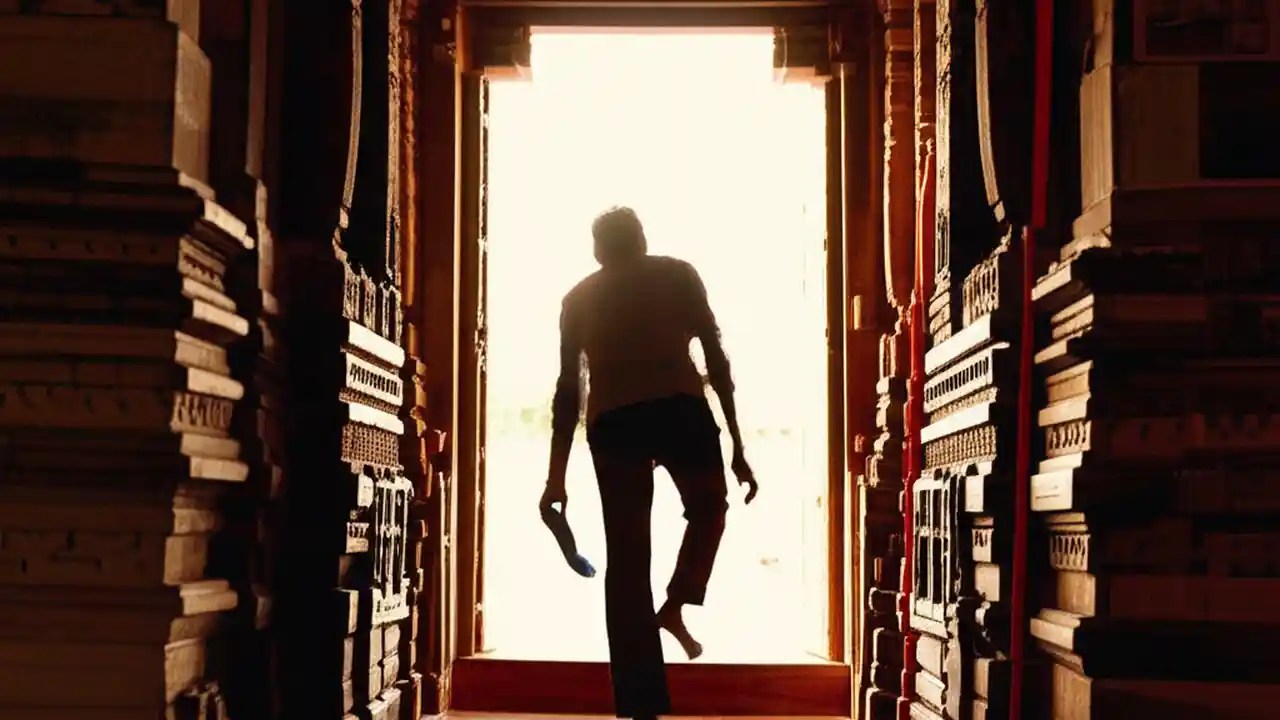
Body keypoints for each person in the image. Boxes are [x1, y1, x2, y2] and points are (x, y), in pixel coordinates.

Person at [540, 206, 759, 720]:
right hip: (681, 411)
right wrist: (738, 445)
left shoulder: (578, 299)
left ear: (598, 251)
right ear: (641, 241)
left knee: (628, 559)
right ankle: (677, 603)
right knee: (710, 507)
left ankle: (638, 704)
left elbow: (567, 395)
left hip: (615, 424)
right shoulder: (678, 275)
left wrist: (556, 477)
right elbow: (717, 361)